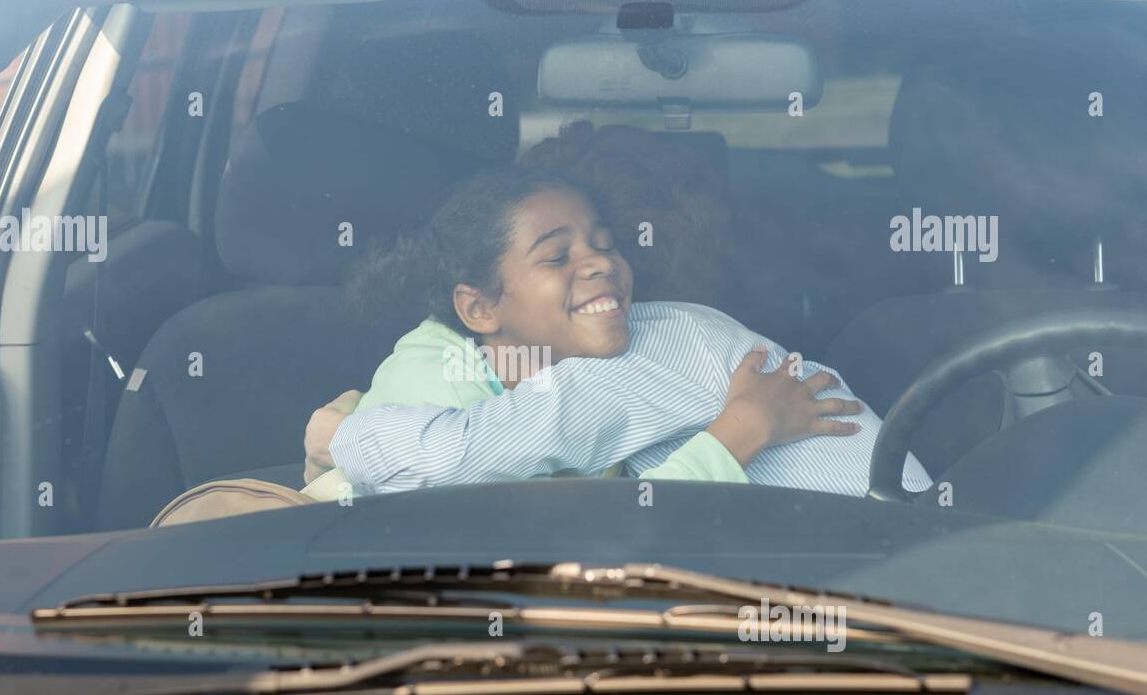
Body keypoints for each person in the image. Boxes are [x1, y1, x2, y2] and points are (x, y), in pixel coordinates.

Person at [302, 166, 931, 498]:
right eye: (558, 256)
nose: (601, 261)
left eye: (604, 245)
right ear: (480, 310)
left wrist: (340, 435)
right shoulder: (658, 340)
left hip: (876, 582)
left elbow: (461, 459)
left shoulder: (630, 359)